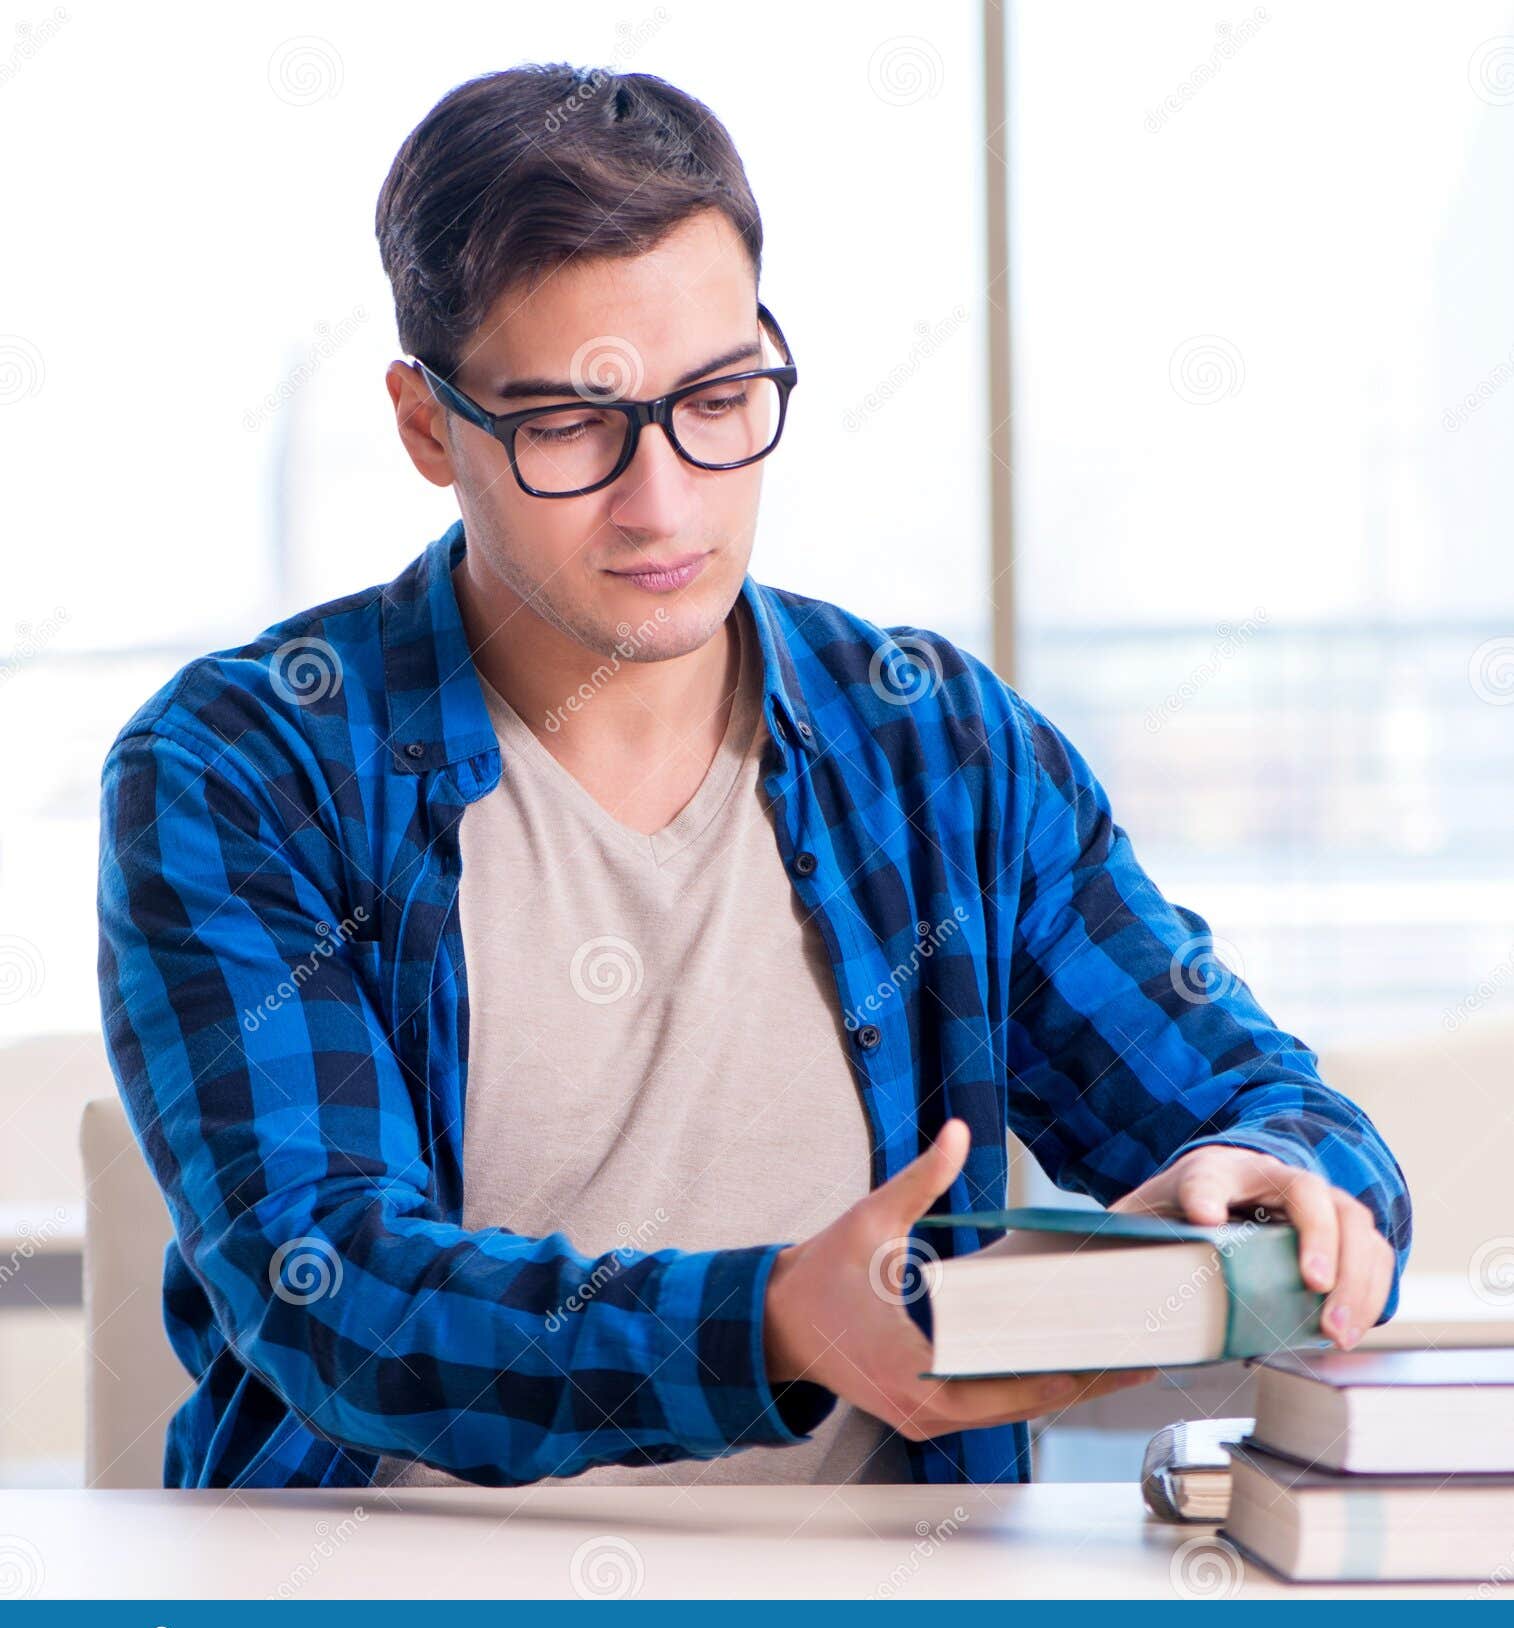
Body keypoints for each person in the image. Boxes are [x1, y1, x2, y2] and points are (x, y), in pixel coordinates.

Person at [97, 64, 1410, 1490]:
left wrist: (1275, 1178)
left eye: (716, 398)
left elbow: (1285, 1117)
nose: (662, 501)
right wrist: (774, 1322)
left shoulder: (939, 752)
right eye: (566, 426)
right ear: (427, 426)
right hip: (392, 1618)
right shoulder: (245, 770)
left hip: (880, 1618)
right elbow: (329, 1287)